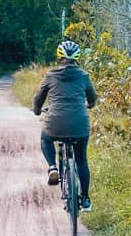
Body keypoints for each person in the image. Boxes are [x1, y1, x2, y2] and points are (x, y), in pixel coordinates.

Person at [32, 40, 98, 211]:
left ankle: (53, 167)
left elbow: (38, 98)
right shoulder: (83, 76)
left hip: (55, 123)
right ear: (77, 59)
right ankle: (84, 199)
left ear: (59, 57)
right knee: (81, 160)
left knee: (46, 139)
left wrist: (37, 110)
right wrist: (89, 105)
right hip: (79, 124)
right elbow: (92, 99)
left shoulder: (50, 76)